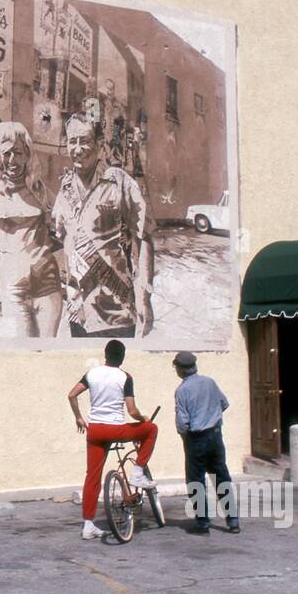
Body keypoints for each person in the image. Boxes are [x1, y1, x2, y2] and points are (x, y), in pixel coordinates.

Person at [51, 116, 154, 338]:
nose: (77, 149)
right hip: (77, 310)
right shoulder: (64, 189)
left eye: (84, 141)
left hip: (114, 309)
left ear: (99, 144)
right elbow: (60, 240)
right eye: (72, 141)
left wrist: (144, 295)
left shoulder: (118, 181)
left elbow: (144, 236)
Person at [0, 121, 63, 338]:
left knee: (47, 355)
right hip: (13, 288)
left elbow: (66, 228)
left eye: (17, 152)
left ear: (27, 155)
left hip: (48, 286)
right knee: (25, 356)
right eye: (6, 153)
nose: (12, 160)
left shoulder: (40, 191)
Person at [68, 340, 158, 540]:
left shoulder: (92, 374)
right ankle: (137, 472)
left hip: (95, 431)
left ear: (105, 355)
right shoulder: (125, 377)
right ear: (122, 357)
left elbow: (72, 394)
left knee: (92, 477)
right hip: (116, 429)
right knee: (151, 429)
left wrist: (79, 417)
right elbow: (132, 410)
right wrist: (143, 418)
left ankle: (88, 525)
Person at [173, 351, 239, 534]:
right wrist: (211, 416)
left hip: (196, 438)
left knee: (196, 480)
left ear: (180, 369)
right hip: (216, 435)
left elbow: (182, 422)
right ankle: (233, 520)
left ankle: (203, 522)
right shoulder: (210, 382)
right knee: (221, 476)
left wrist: (185, 436)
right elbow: (224, 404)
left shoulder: (182, 390)